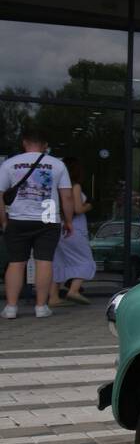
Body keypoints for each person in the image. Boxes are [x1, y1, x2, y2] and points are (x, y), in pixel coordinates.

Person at [0, 126, 74, 319]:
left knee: (16, 263)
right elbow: (66, 197)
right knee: (44, 262)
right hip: (48, 217)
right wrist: (68, 221)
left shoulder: (10, 164)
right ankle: (41, 307)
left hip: (17, 218)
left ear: (24, 142)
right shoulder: (57, 165)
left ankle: (11, 307)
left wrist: (3, 220)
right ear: (45, 146)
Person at [50, 157, 96, 306]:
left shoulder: (55, 186)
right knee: (85, 260)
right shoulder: (74, 186)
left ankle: (53, 297)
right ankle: (74, 290)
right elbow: (77, 209)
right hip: (74, 228)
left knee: (58, 262)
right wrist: (89, 205)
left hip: (57, 227)